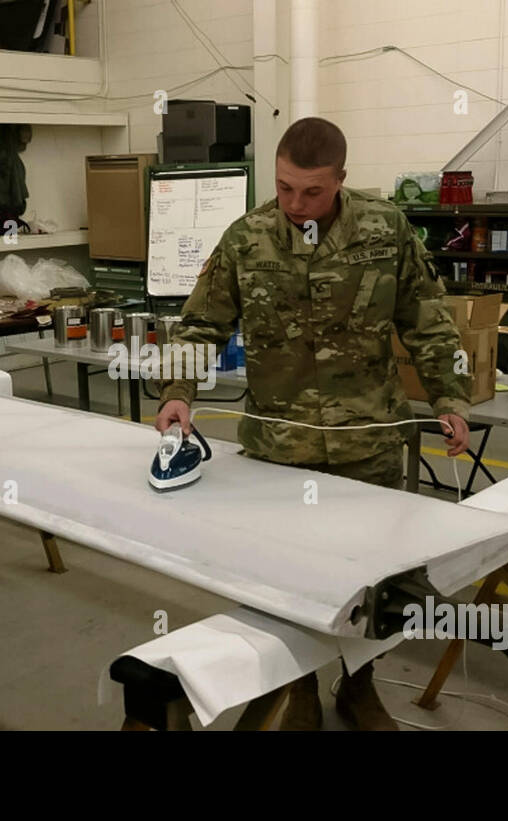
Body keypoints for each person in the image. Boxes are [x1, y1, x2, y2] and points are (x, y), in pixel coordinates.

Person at [155, 117, 471, 731]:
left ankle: (360, 686)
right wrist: (177, 392)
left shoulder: (387, 230)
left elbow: (428, 320)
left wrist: (449, 397)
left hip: (369, 441)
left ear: (342, 180)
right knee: (280, 582)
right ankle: (294, 690)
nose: (296, 204)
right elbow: (201, 325)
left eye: (312, 191)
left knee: (372, 579)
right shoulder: (247, 239)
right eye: (284, 188)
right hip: (279, 445)